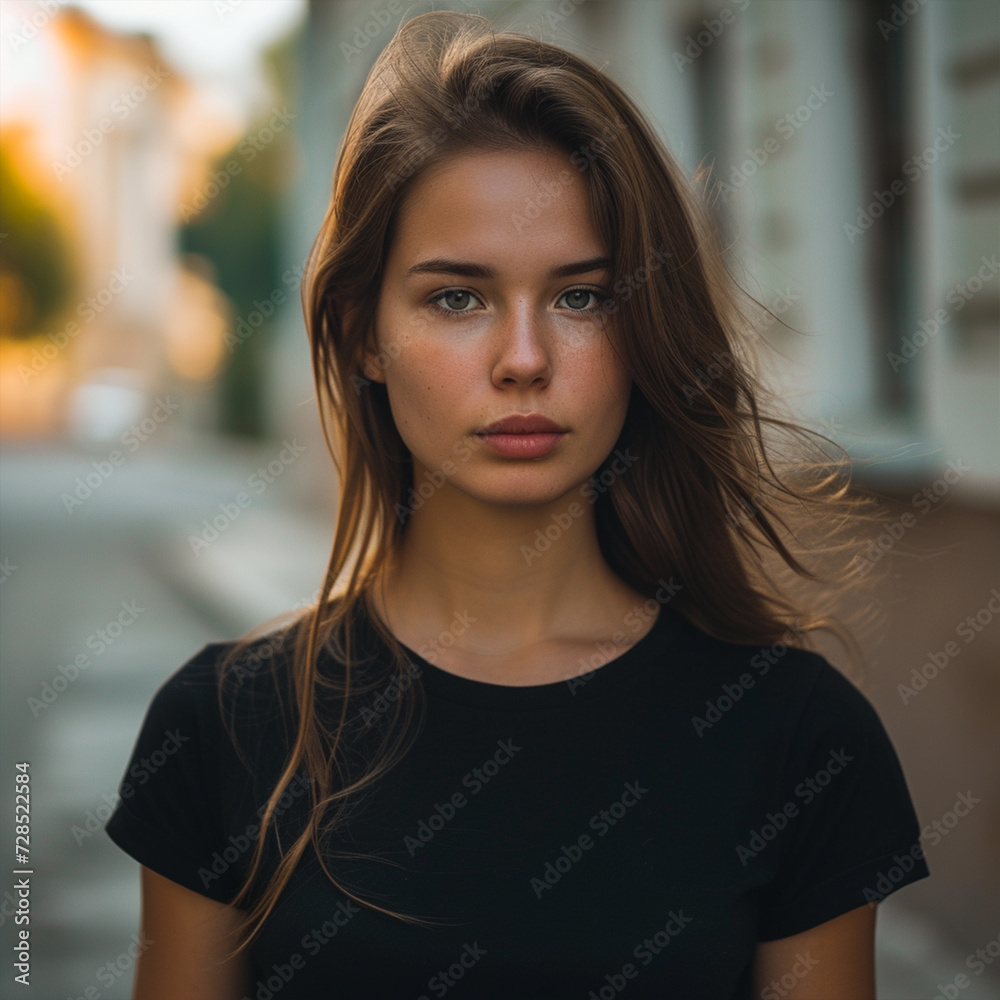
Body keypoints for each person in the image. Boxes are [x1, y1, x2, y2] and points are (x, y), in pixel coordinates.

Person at [105, 10, 930, 998]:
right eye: (457, 298)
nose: (525, 359)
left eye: (581, 297)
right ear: (364, 332)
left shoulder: (797, 738)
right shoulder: (225, 727)